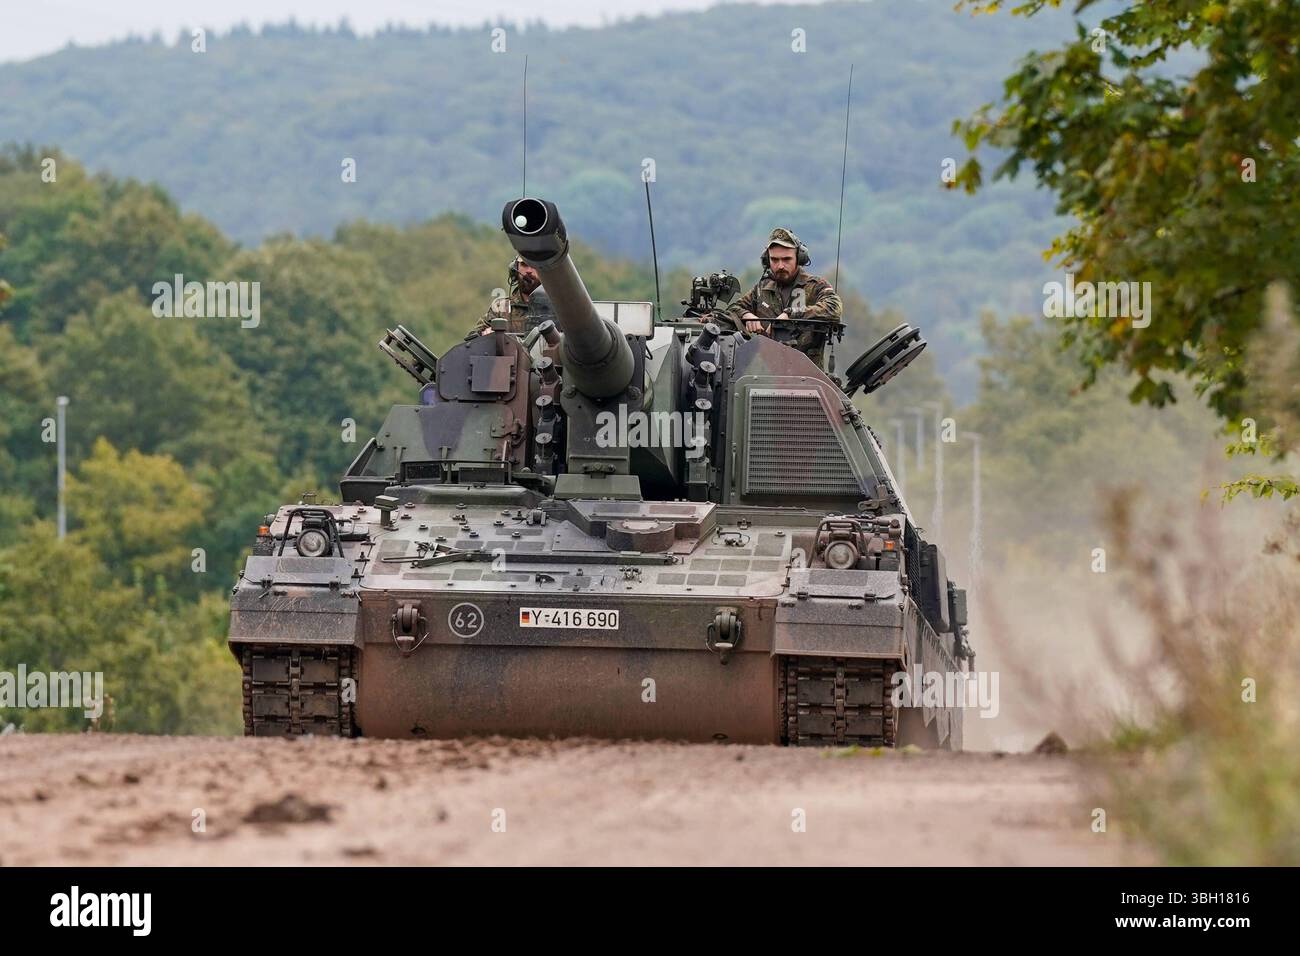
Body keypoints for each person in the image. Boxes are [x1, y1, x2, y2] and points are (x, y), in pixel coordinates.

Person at [726, 227, 843, 366]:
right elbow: (732, 309)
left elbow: (834, 307)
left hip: (807, 377)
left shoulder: (815, 286)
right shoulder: (762, 289)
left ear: (799, 258)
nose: (780, 266)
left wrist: (791, 315)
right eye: (774, 260)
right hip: (765, 377)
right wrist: (746, 315)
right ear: (767, 260)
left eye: (786, 259)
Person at [471, 257, 542, 336]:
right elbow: (471, 340)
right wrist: (484, 333)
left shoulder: (556, 305)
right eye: (524, 265)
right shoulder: (501, 308)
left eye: (534, 265)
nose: (528, 270)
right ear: (515, 269)